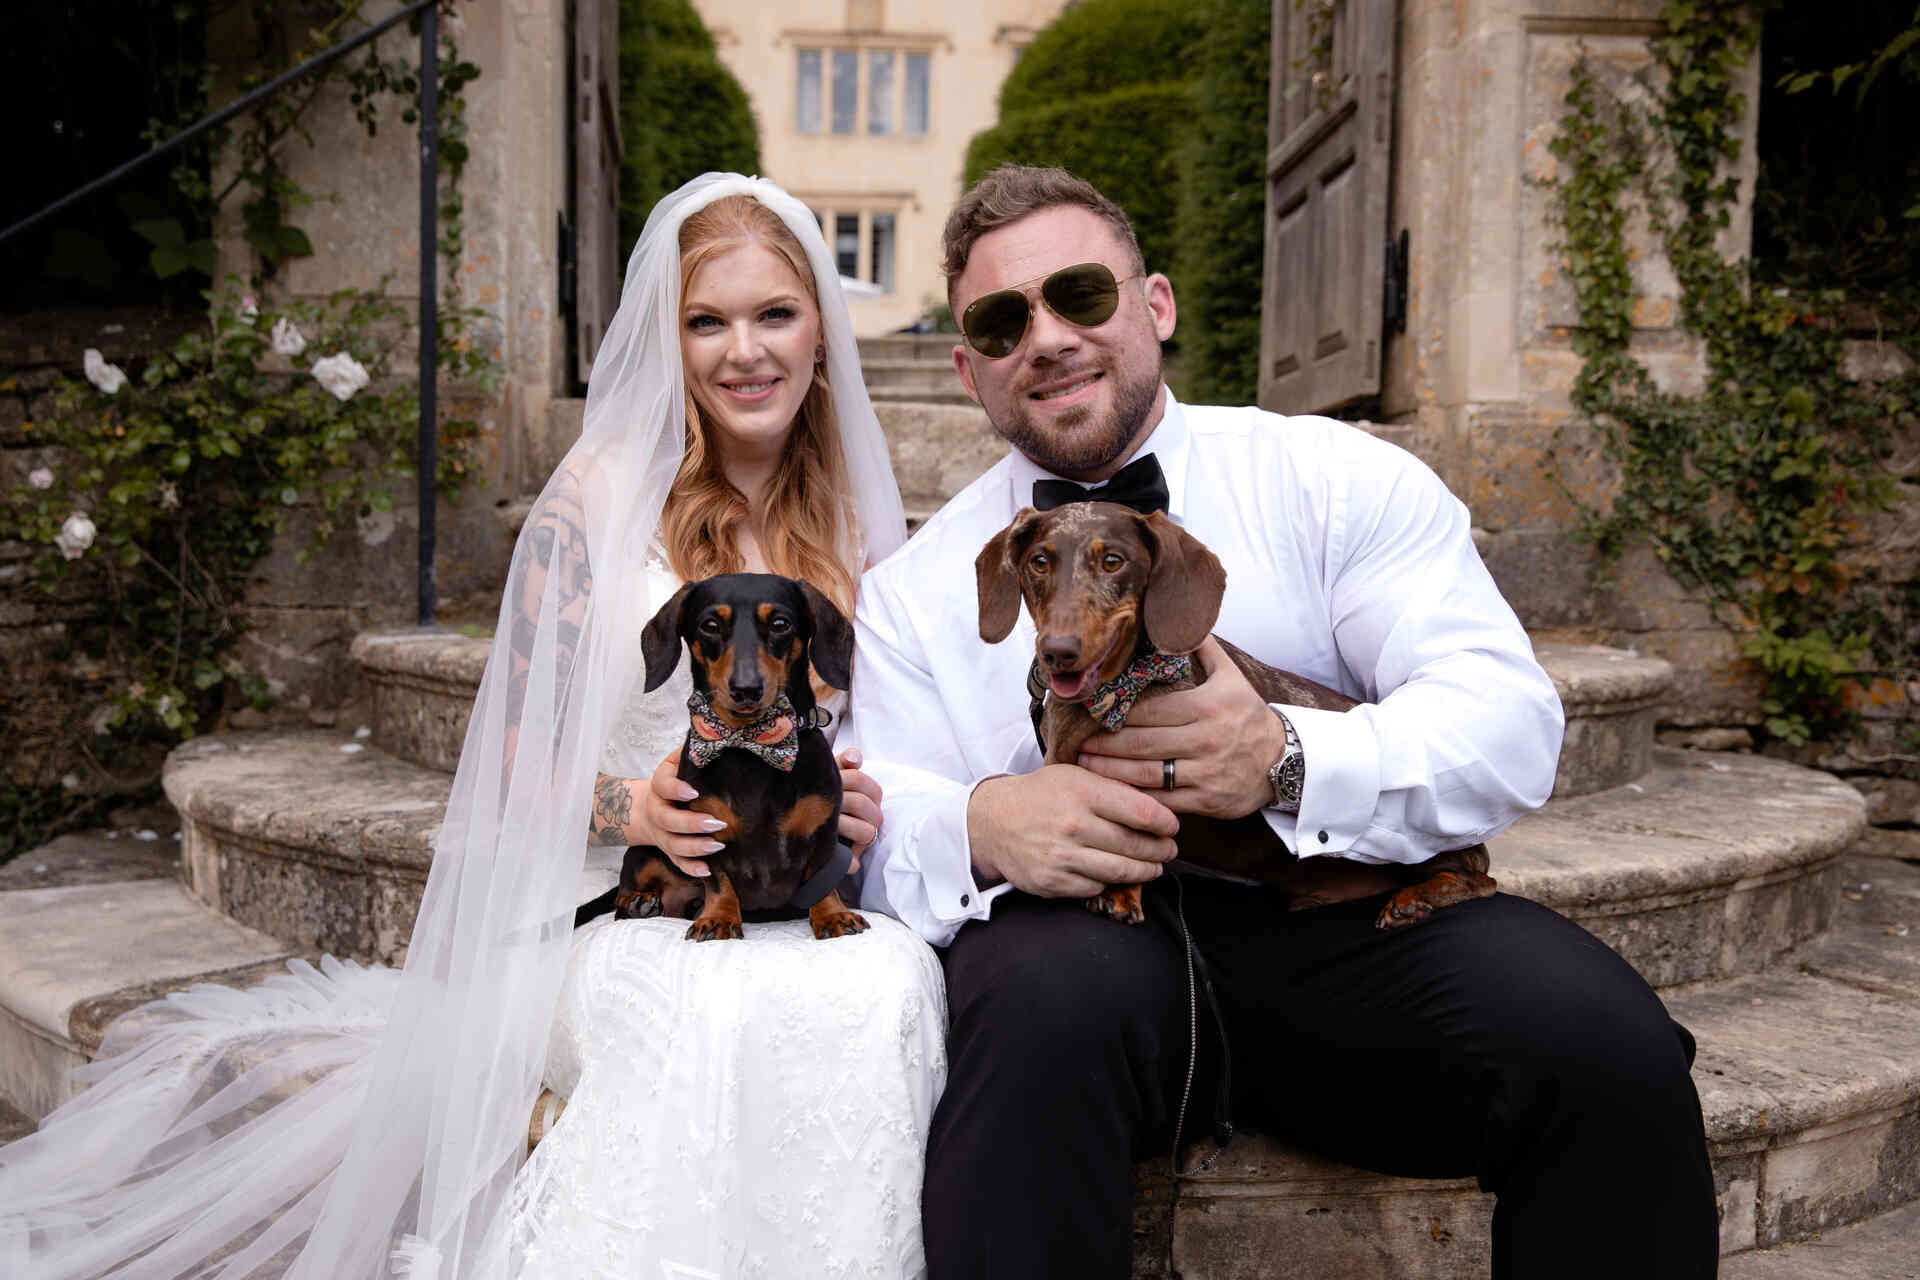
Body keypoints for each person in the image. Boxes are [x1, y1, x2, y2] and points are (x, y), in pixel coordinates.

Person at [0, 174, 945, 1280]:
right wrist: (632, 805)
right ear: (668, 338)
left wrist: (864, 800)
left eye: (774, 314)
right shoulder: (594, 500)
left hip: (782, 903)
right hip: (609, 902)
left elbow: (882, 735)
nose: (745, 350)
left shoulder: (856, 519)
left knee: (885, 990)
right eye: (708, 320)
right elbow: (503, 781)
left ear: (822, 334)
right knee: (691, 1011)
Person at [841, 165, 1719, 1279]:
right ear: (969, 367)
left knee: (1609, 1044)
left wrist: (1290, 755)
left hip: (1348, 925)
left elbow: (1506, 718)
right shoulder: (917, 586)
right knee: (1031, 1019)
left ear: (1154, 304)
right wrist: (981, 820)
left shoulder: (1332, 479)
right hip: (1088, 954)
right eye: (1003, 321)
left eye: (1081, 295)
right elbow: (875, 818)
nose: (1048, 338)